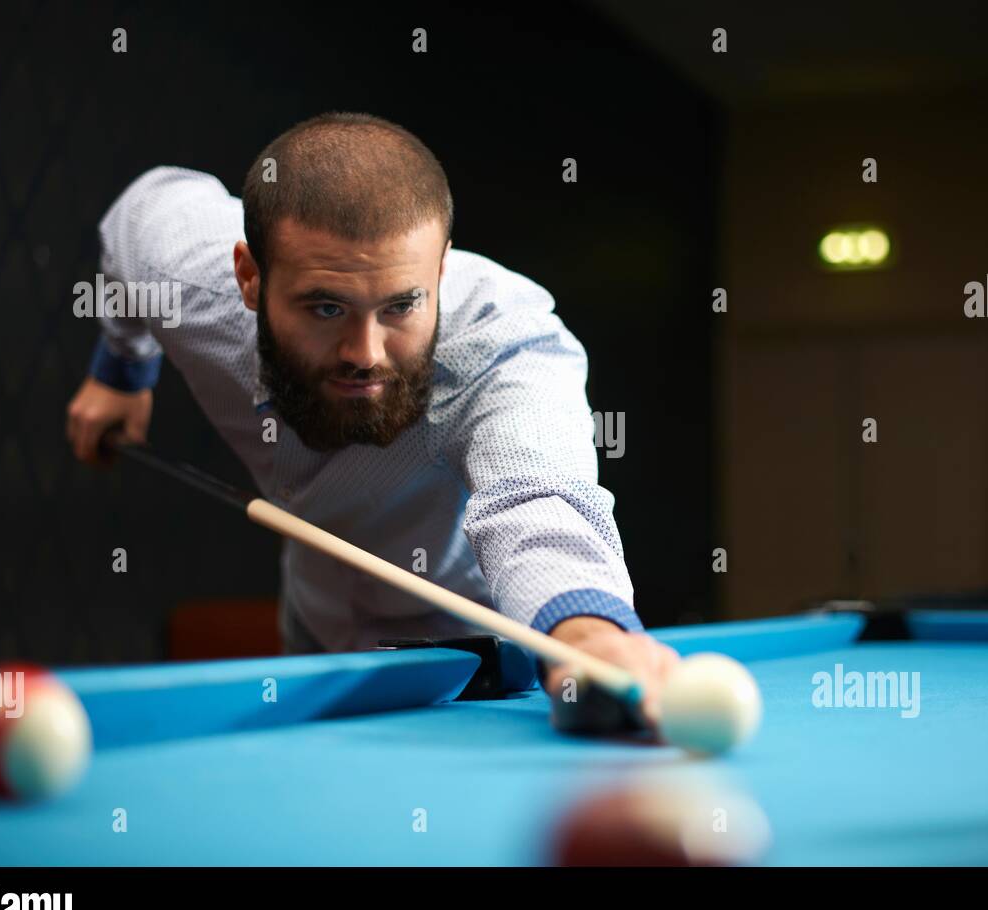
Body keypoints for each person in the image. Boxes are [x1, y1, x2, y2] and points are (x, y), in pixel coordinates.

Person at [66, 112, 678, 726]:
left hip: (482, 665)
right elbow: (136, 216)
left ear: (439, 273)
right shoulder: (192, 284)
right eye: (326, 308)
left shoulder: (502, 347)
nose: (365, 353)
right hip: (319, 638)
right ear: (250, 277)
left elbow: (537, 499)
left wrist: (590, 636)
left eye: (400, 306)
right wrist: (121, 369)